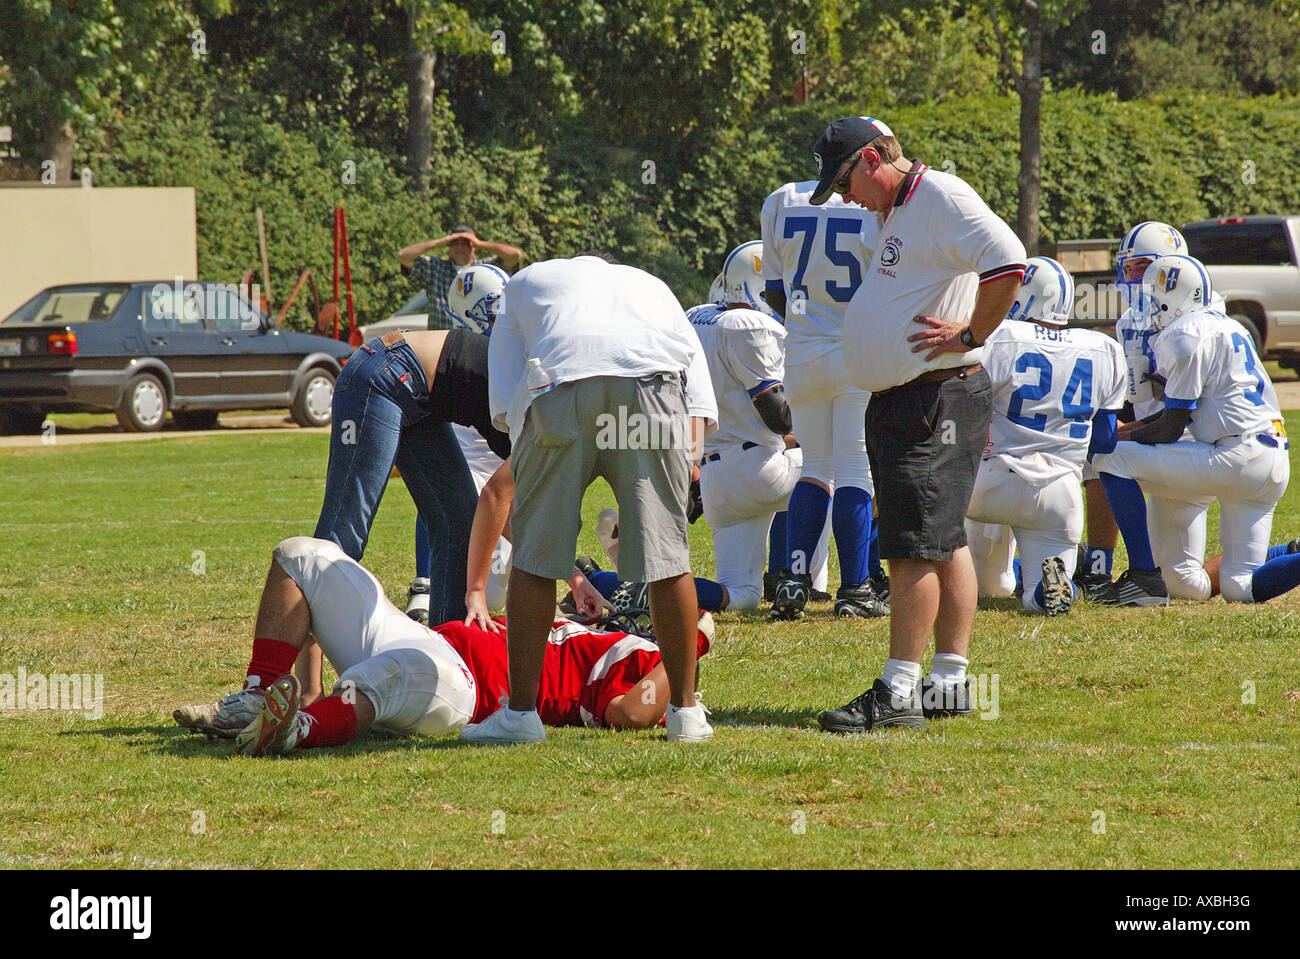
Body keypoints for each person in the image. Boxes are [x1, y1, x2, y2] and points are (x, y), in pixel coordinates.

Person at [808, 116, 1027, 733]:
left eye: (845, 181)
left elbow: (1009, 261)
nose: (844, 197)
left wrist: (971, 333)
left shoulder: (941, 196)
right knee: (943, 537)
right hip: (915, 398)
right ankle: (950, 682)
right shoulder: (895, 210)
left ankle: (898, 689)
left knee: (909, 550)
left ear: (874, 157)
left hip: (935, 398)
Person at [472, 253, 718, 745]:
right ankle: (686, 714)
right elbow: (697, 384)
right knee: (669, 562)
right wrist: (690, 452)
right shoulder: (651, 283)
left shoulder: (523, 283)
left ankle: (520, 716)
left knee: (538, 560)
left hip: (563, 385)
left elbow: (504, 399)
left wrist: (530, 447)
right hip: (653, 389)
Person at [172, 537, 712, 755]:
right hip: (431, 641)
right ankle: (254, 696)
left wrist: (693, 644)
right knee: (303, 556)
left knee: (398, 674)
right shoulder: (595, 629)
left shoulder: (642, 660)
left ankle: (292, 732)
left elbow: (631, 714)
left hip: (462, 691)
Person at [1092, 255, 1300, 605]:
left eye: (1153, 297)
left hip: (1234, 455)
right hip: (1271, 459)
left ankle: (1143, 577)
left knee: (1111, 459)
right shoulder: (1230, 326)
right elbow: (1177, 416)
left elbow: (1171, 428)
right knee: (1239, 587)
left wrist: (1115, 438)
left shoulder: (1184, 333)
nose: (1149, 308)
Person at [314, 322, 529, 626]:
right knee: (341, 537)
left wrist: (572, 576)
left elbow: (513, 516)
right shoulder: (546, 420)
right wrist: (478, 589)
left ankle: (450, 651)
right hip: (383, 370)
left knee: (459, 522)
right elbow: (497, 497)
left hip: (424, 398)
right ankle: (287, 667)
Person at [965, 256, 1127, 615]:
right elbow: (1104, 442)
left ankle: (1004, 574)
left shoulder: (999, 338)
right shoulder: (1103, 348)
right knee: (1040, 599)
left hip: (990, 483)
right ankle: (1046, 585)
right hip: (1059, 491)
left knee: (989, 587)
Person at [760, 172, 887, 619]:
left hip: (802, 355)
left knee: (814, 468)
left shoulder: (781, 198)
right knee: (855, 470)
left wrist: (810, 323)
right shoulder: (878, 200)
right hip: (856, 351)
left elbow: (775, 291)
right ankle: (855, 589)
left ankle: (794, 578)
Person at [1086, 222, 1220, 605]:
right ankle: (1286, 552)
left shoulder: (1197, 318)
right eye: (1128, 268)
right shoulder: (1129, 321)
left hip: (1192, 446)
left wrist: (1119, 433)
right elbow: (1136, 396)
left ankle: (1127, 573)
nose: (1133, 277)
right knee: (1184, 584)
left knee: (1105, 452)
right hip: (1163, 448)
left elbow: (1174, 417)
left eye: (1142, 267)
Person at [686, 241, 802, 611]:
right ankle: (853, 582)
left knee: (742, 596)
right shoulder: (749, 325)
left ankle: (635, 588)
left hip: (716, 477)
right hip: (761, 468)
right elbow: (778, 415)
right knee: (850, 467)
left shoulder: (698, 317)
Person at [404, 264, 513, 622]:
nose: (501, 316)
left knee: (500, 595)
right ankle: (425, 582)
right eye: (492, 308)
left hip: (503, 496)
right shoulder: (452, 357)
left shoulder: (510, 350)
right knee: (438, 484)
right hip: (472, 486)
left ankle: (584, 575)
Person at [397, 224, 523, 330]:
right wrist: (439, 242)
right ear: (448, 246)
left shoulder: (485, 268)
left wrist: (481, 243)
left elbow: (514, 255)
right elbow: (404, 256)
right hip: (442, 343)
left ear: (474, 247)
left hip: (477, 342)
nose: (460, 247)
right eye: (455, 243)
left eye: (466, 243)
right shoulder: (435, 268)